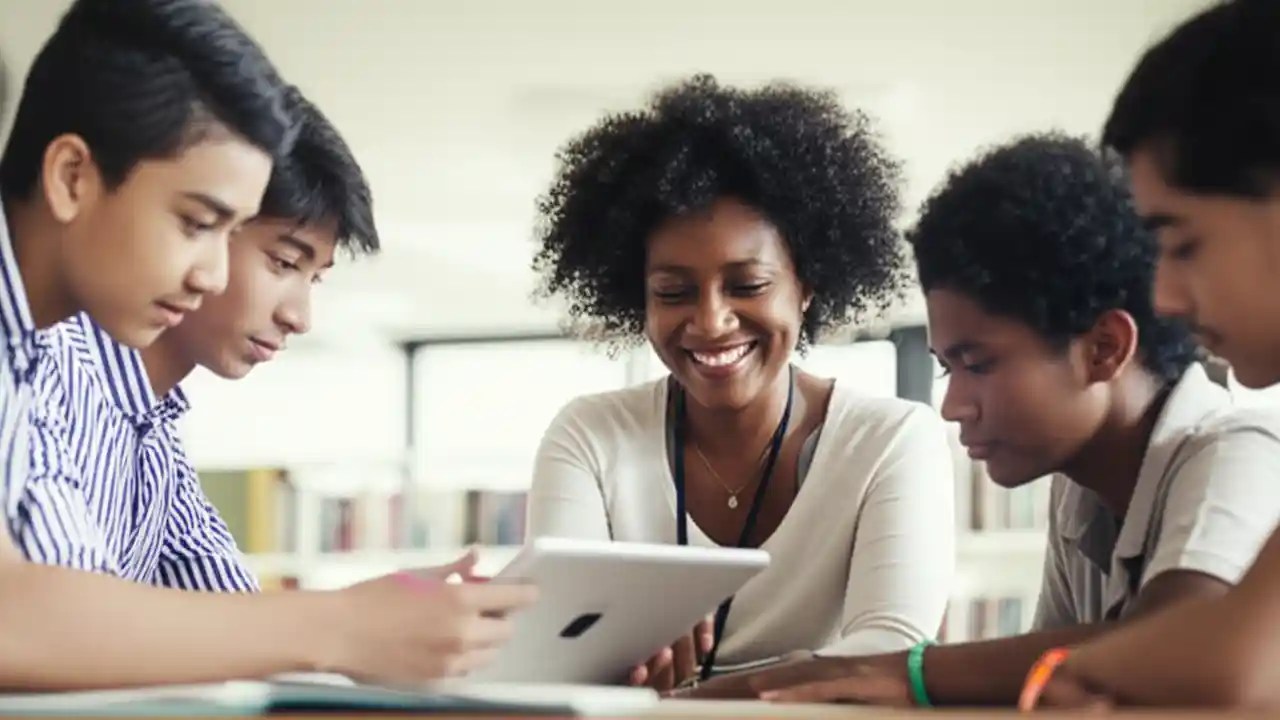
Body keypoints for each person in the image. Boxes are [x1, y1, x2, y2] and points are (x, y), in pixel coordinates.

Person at [0, 0, 534, 689]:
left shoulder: (37, 361)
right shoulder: (59, 364)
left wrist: (386, 617)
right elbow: (18, 619)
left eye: (231, 236)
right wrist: (346, 624)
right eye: (198, 223)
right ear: (73, 176)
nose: (214, 274)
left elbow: (210, 617)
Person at [719, 133, 1280, 706]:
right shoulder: (1079, 492)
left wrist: (908, 672)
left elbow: (1173, 649)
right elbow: (1051, 687)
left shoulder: (1238, 447)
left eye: (978, 364)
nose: (953, 406)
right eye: (945, 369)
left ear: (1104, 348)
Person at [527, 74, 955, 691]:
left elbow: (887, 654)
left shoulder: (892, 440)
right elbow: (558, 651)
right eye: (673, 292)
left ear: (805, 286)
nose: (710, 321)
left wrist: (694, 699)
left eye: (748, 285)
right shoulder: (590, 436)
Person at [1008, 0, 1280, 708]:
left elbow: (1228, 666)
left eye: (1184, 244)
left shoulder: (1238, 441)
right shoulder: (1074, 496)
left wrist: (1069, 676)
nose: (1165, 298)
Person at [20, 87, 376, 589]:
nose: (300, 317)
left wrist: (383, 612)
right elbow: (66, 617)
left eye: (313, 278)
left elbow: (228, 605)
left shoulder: (156, 430)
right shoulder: (48, 363)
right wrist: (344, 626)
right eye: (284, 263)